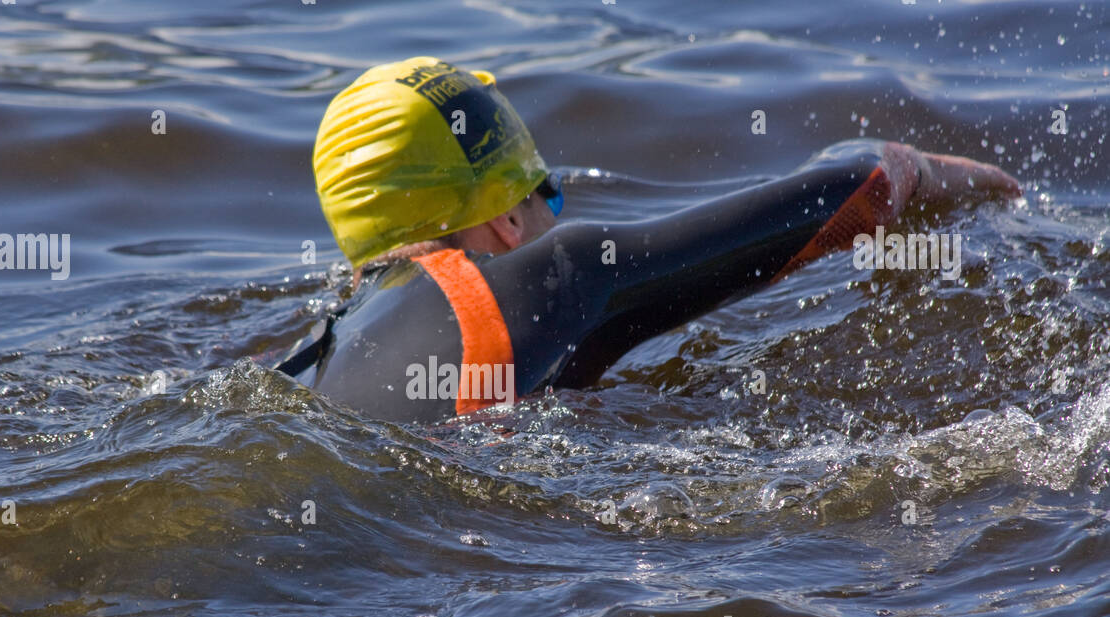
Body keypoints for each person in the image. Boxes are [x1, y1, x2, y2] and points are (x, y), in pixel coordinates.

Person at [275, 56, 1021, 423]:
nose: (552, 222)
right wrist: (931, 173)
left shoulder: (311, 353)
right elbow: (856, 189)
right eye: (547, 195)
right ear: (507, 218)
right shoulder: (552, 276)